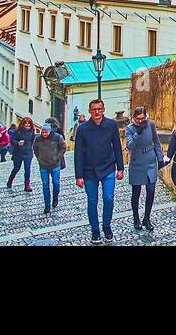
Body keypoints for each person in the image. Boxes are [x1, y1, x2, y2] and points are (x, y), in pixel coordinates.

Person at [74, 98, 124, 244]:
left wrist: (120, 167)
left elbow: (116, 146)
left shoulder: (111, 125)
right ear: (90, 111)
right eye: (94, 109)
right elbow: (78, 153)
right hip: (89, 170)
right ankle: (95, 230)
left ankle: (107, 225)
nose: (97, 112)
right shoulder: (83, 129)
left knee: (108, 198)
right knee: (92, 201)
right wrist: (79, 175)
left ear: (103, 110)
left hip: (108, 167)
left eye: (99, 109)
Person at [125, 107, 166, 232]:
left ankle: (147, 218)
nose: (141, 121)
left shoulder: (151, 125)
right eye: (138, 119)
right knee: (136, 192)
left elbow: (156, 142)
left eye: (143, 119)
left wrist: (160, 158)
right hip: (137, 161)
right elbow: (130, 145)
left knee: (151, 190)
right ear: (134, 118)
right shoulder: (130, 129)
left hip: (150, 160)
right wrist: (138, 132)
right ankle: (136, 218)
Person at [33, 121, 67, 215]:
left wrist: (57, 157)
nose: (44, 134)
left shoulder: (57, 137)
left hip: (55, 165)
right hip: (43, 165)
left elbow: (63, 147)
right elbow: (35, 149)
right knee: (45, 185)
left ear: (49, 131)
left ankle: (55, 197)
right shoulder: (38, 139)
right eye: (43, 132)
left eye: (46, 132)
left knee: (56, 183)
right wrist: (39, 158)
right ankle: (47, 204)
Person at [7, 116, 36, 191]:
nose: (27, 125)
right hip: (18, 153)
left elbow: (32, 140)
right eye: (25, 124)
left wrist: (31, 148)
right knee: (16, 168)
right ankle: (10, 180)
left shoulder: (32, 131)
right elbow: (12, 140)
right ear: (22, 124)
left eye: (28, 124)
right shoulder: (18, 131)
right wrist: (18, 143)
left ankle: (27, 185)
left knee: (27, 169)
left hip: (28, 153)